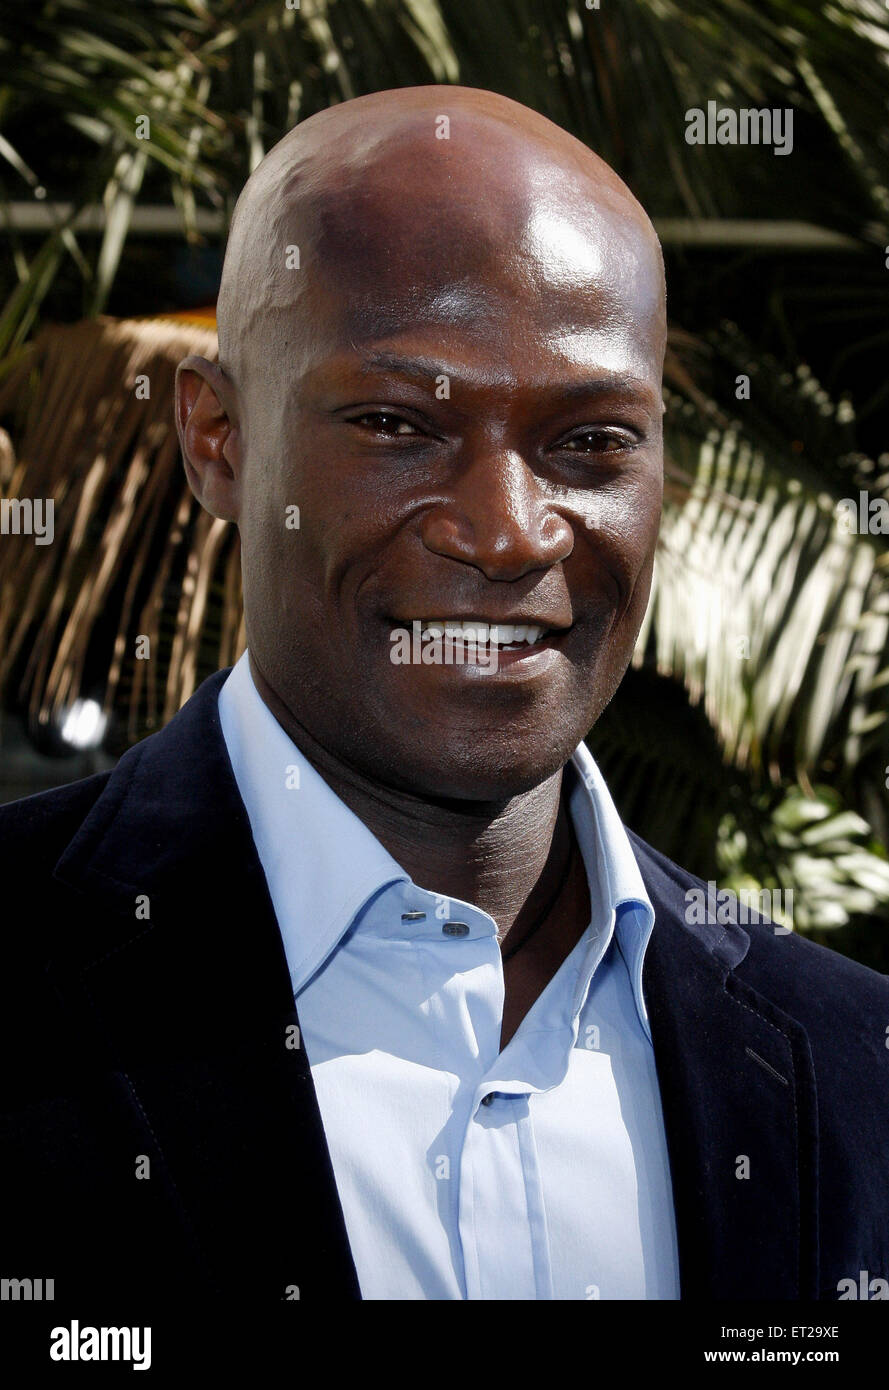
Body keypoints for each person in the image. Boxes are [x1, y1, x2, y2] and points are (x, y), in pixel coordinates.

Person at [1, 86, 886, 1306]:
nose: (510, 534)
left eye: (590, 441)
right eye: (396, 422)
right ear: (219, 439)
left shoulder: (849, 1066)